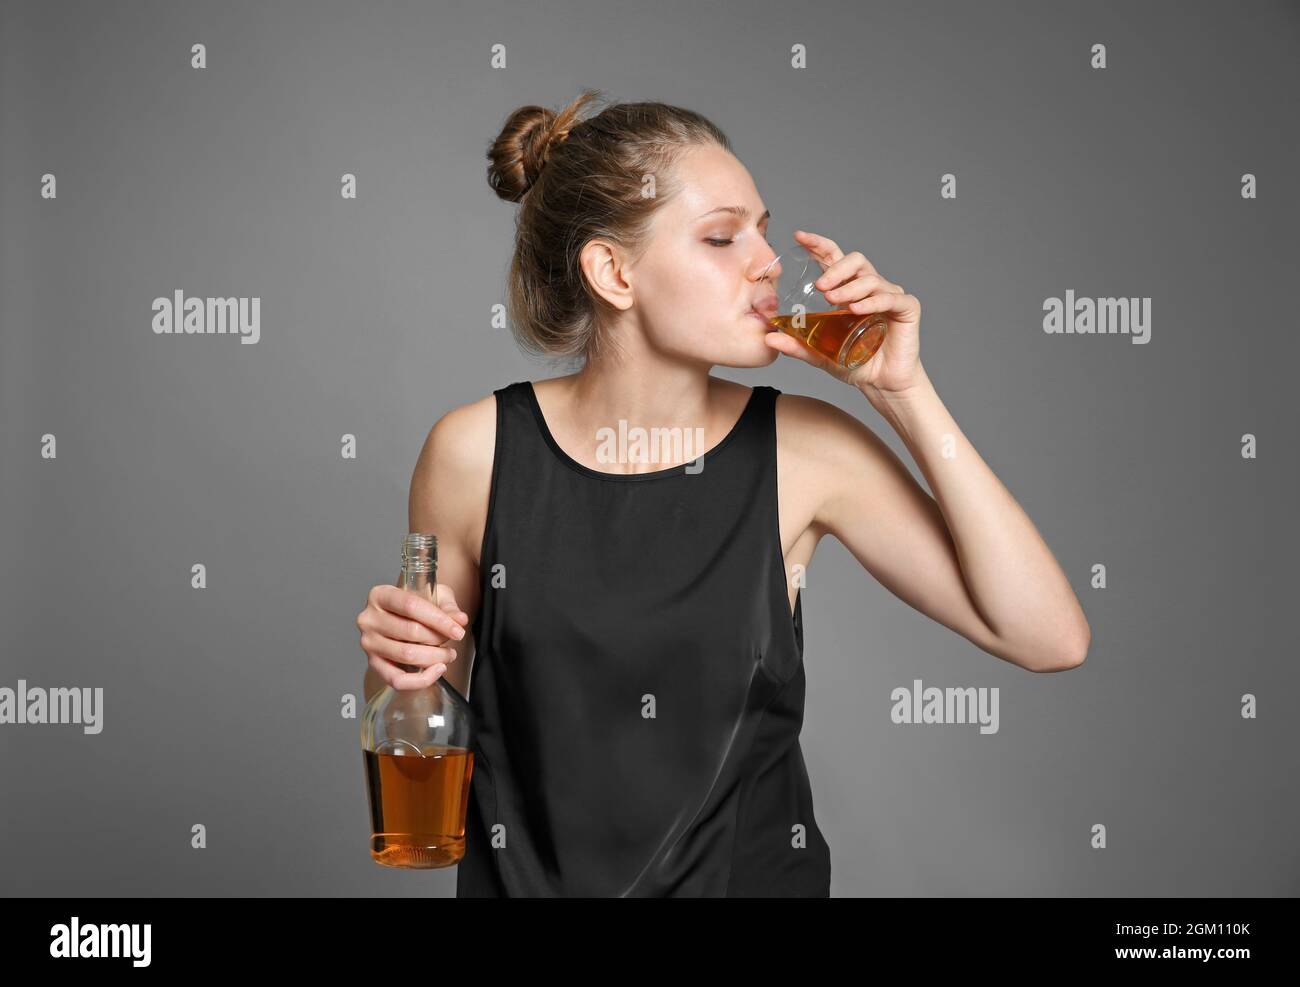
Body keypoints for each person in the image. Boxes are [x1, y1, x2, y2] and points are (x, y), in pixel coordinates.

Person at [356, 89, 1091, 897]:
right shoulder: (474, 452)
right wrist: (393, 663)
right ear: (613, 271)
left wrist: (903, 392)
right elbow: (421, 709)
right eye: (721, 236)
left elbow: (1048, 637)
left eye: (764, 230)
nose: (769, 263)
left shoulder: (809, 450)